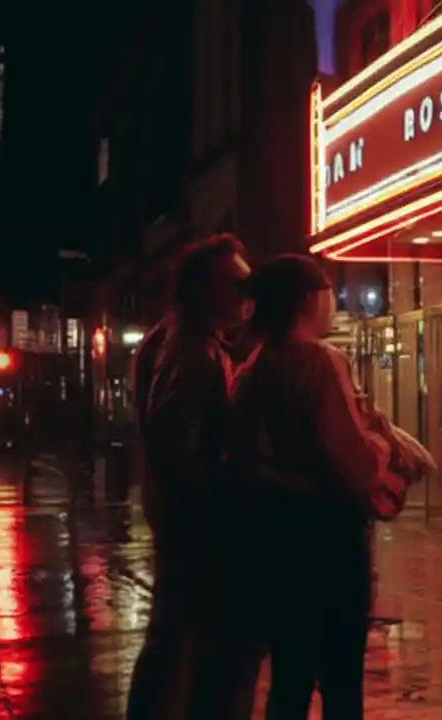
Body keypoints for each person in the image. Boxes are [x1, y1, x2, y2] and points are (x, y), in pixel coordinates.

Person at [230, 254, 423, 719]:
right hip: (328, 535)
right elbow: (351, 453)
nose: (332, 303)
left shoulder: (250, 371)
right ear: (307, 302)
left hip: (273, 534)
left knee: (289, 675)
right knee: (340, 676)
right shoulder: (319, 360)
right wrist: (387, 453)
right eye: (326, 294)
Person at [127, 233, 255, 720]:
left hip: (186, 529)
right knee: (198, 654)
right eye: (236, 284)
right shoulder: (192, 354)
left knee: (173, 645)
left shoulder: (179, 342)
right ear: (202, 289)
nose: (247, 295)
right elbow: (177, 450)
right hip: (199, 534)